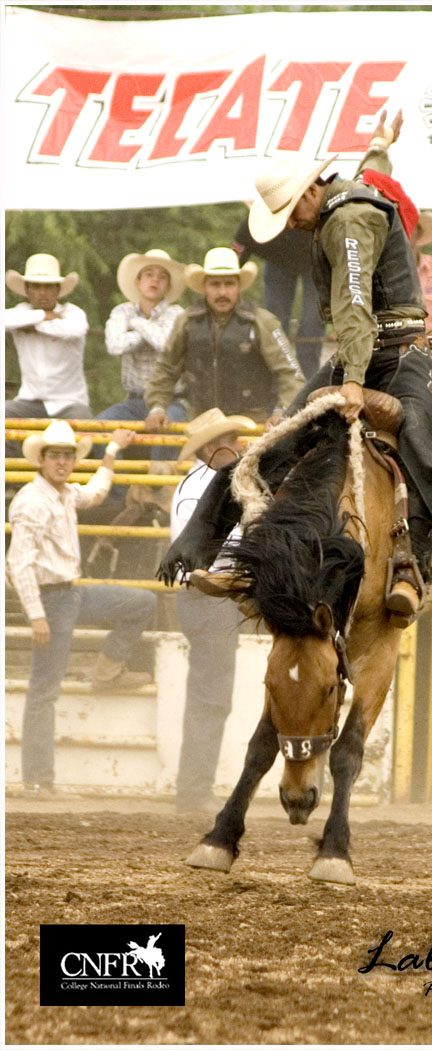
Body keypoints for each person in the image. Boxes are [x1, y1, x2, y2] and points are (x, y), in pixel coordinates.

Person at [177, 112, 432, 626]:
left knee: (420, 443)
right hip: (362, 351)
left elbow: (353, 304)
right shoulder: (348, 198)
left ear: (307, 194)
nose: (292, 227)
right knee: (277, 444)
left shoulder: (346, 220)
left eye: (289, 215)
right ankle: (235, 556)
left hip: (398, 352)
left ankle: (413, 567)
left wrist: (349, 382)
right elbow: (369, 175)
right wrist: (380, 144)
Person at [6, 420, 156, 798]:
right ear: (42, 460)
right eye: (55, 455)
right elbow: (18, 563)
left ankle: (106, 669)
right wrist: (36, 614)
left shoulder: (63, 493)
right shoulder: (32, 502)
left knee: (142, 603)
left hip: (70, 594)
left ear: (73, 459)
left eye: (67, 455)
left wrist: (111, 452)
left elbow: (96, 494)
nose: (61, 461)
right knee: (45, 689)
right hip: (52, 600)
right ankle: (37, 781)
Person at [170, 409, 255, 814]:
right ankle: (193, 791)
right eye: (232, 439)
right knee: (211, 698)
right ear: (211, 447)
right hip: (208, 597)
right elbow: (204, 554)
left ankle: (194, 788)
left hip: (206, 600)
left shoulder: (203, 486)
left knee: (209, 696)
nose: (239, 445)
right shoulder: (206, 490)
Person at [143, 247, 304, 431]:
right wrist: (157, 407)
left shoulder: (262, 321)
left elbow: (291, 373)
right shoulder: (186, 322)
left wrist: (282, 411)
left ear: (238, 286)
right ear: (205, 287)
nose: (222, 292)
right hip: (201, 421)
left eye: (229, 284)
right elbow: (165, 368)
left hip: (252, 422)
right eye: (215, 284)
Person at [99, 248, 187, 458]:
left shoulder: (177, 314)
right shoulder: (121, 311)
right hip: (133, 400)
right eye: (148, 274)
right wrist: (149, 330)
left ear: (168, 286)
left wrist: (137, 323)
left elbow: (166, 345)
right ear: (138, 282)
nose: (154, 280)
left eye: (162, 277)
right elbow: (115, 345)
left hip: (171, 401)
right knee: (97, 429)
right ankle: (116, 489)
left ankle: (162, 489)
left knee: (167, 437)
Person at [5, 254, 90, 460]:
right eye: (36, 286)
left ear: (58, 290)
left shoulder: (73, 313)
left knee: (86, 432)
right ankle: (10, 482)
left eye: (49, 286)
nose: (42, 292)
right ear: (27, 290)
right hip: (29, 401)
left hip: (70, 402)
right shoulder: (19, 312)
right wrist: (43, 316)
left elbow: (75, 329)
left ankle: (82, 488)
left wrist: (34, 323)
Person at [231, 222, 326, 380]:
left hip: (315, 256)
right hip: (277, 261)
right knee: (274, 323)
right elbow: (232, 263)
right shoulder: (250, 227)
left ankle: (309, 383)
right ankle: (277, 384)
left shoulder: (315, 216)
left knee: (312, 322)